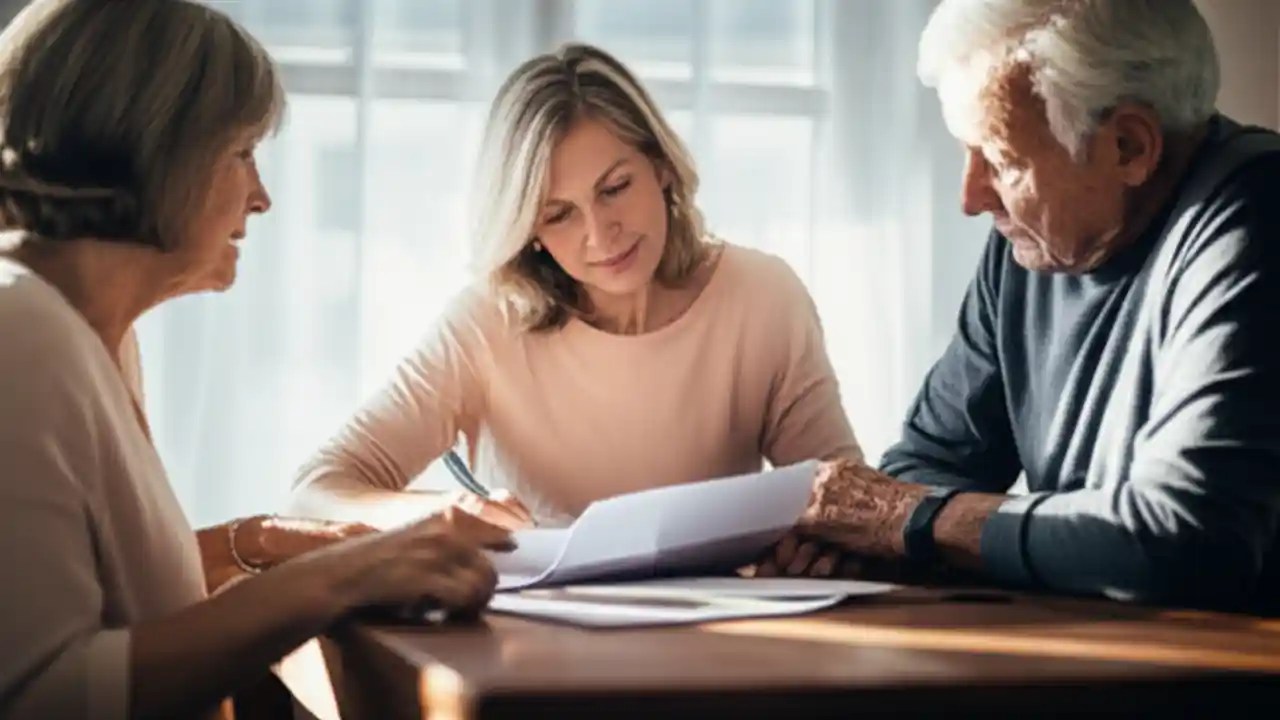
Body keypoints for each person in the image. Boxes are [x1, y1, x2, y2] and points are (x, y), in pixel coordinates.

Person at [0, 2, 512, 718]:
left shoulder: (96, 337)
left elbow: (106, 595)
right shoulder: (21, 334)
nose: (263, 196)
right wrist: (342, 579)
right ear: (155, 148)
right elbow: (42, 695)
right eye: (242, 153)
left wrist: (260, 542)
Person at [770, 0, 1280, 613]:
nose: (971, 196)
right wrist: (873, 530)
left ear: (1128, 146)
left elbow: (1186, 541)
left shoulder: (1256, 216)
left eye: (1003, 161)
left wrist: (907, 521)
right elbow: (928, 464)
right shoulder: (1036, 243)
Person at [288, 43, 863, 530]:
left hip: (720, 637)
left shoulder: (762, 296)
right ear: (528, 231)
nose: (599, 234)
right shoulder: (488, 323)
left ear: (661, 165)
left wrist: (823, 543)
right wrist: (446, 512)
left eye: (614, 188)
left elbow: (854, 504)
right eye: (558, 214)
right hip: (528, 648)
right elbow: (315, 491)